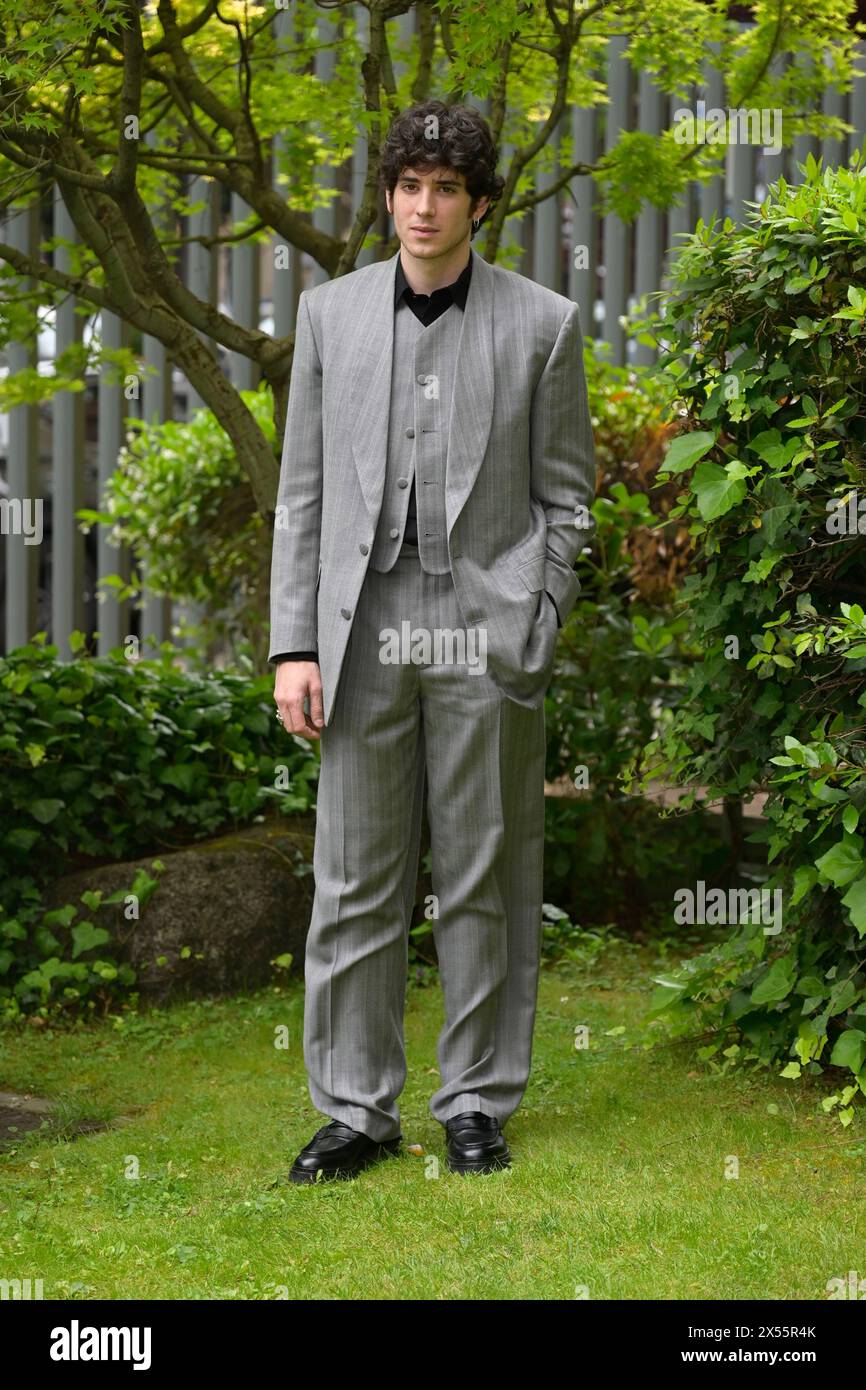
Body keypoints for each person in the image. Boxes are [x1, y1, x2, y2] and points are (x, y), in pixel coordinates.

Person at [269, 99, 597, 1182]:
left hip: (481, 627)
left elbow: (566, 496)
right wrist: (292, 647)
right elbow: (302, 499)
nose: (422, 206)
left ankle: (474, 1103)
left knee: (483, 875)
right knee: (353, 879)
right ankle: (356, 1111)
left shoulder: (543, 323)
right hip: (360, 627)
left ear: (478, 203)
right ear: (387, 195)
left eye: (444, 188)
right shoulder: (327, 317)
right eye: (406, 185)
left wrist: (533, 618)